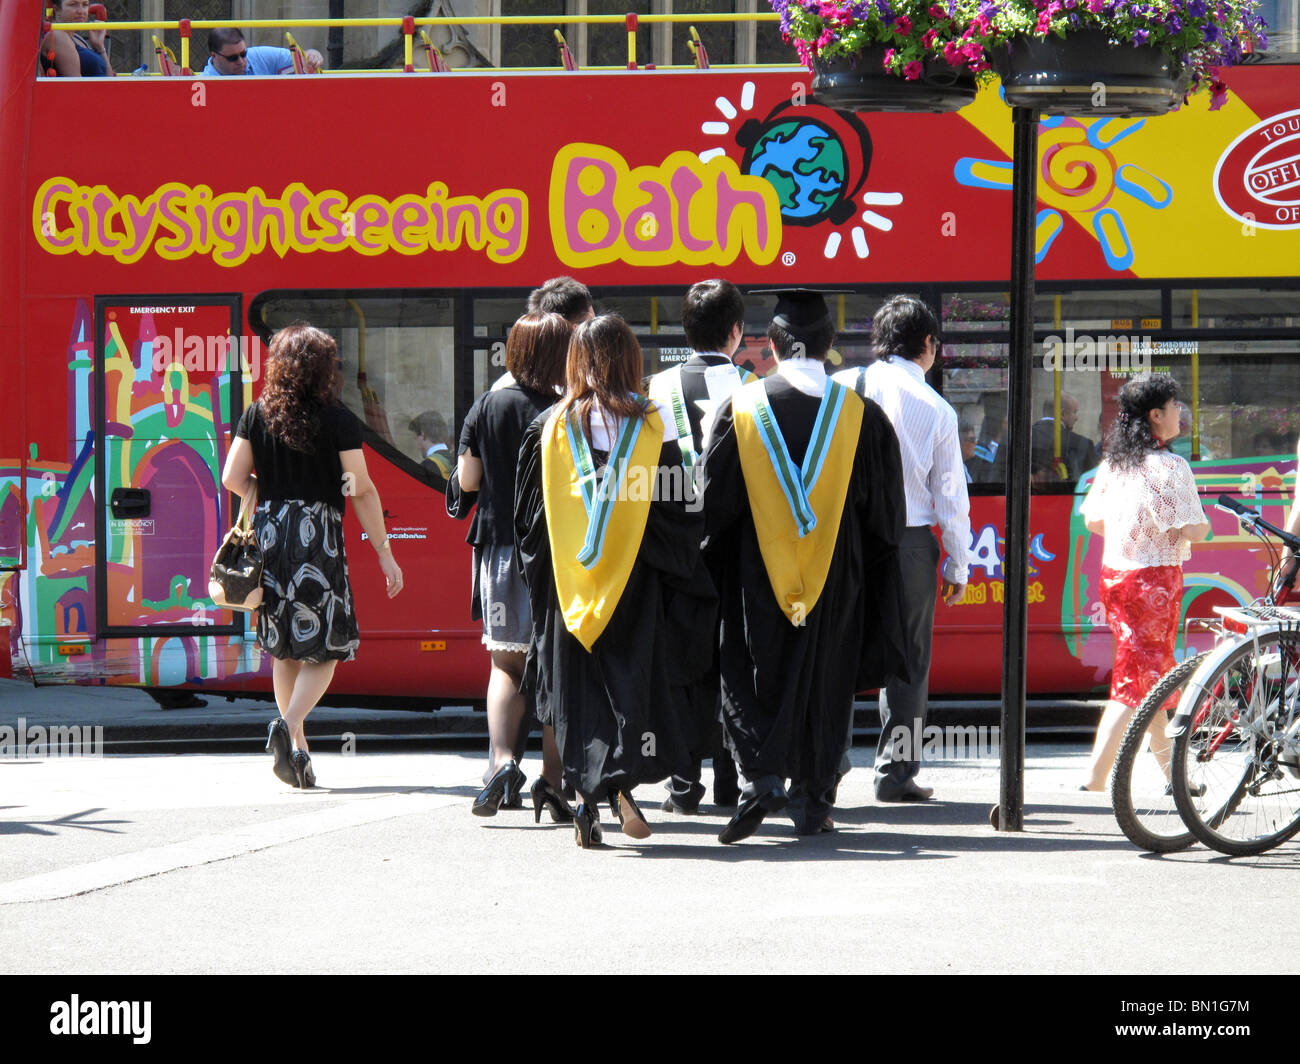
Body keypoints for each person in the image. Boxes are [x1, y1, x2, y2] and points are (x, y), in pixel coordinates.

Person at [703, 290, 908, 842]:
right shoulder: (861, 416)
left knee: (750, 671)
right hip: (836, 574)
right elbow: (884, 515)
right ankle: (813, 802)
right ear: (831, 346)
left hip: (755, 572)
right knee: (827, 680)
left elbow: (714, 505)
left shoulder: (742, 409)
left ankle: (761, 778)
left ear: (771, 344)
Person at [514, 315, 717, 848]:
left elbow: (530, 522)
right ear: (630, 359)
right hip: (635, 581)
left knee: (577, 689)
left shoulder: (549, 427)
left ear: (574, 361)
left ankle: (586, 800)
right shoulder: (653, 423)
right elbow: (681, 507)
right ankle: (622, 786)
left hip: (571, 586)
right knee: (629, 685)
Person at [221, 324, 403, 788]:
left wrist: (267, 496)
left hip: (271, 533)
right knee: (328, 645)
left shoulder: (257, 413)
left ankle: (298, 752)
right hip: (316, 536)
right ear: (323, 368)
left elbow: (231, 478)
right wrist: (385, 552)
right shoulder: (337, 418)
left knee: (284, 648)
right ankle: (286, 727)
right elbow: (360, 489)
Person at [834, 295, 970, 803]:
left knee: (837, 647)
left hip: (843, 538)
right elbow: (950, 496)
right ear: (928, 345)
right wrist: (958, 563)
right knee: (909, 658)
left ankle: (827, 764)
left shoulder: (841, 387)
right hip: (910, 543)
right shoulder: (936, 408)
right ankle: (896, 774)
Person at [448, 312, 573, 822]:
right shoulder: (571, 407)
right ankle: (554, 782)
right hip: (560, 551)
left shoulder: (489, 405)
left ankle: (502, 762)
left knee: (506, 664)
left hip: (500, 548)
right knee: (559, 671)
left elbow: (469, 481)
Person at [648, 279, 753, 814]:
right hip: (739, 551)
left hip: (674, 552)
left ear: (685, 330)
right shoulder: (757, 389)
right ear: (736, 332)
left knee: (682, 670)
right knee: (735, 664)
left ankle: (683, 783)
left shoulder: (654, 389)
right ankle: (734, 784)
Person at [1078, 373, 1210, 791]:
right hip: (1153, 585)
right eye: (1174, 406)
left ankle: (1177, 777)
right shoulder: (1171, 466)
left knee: (1149, 678)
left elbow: (1093, 519)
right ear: (1156, 415)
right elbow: (1194, 530)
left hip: (1116, 577)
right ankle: (1096, 777)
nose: (1179, 414)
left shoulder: (1115, 464)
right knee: (1136, 683)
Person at [490, 277, 595, 392]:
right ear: (576, 330)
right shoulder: (591, 383)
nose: (593, 334)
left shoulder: (505, 386)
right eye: (590, 325)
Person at [1031, 394, 1100, 483]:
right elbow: (1093, 482)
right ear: (1062, 413)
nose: (1076, 418)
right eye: (1074, 412)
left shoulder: (1023, 440)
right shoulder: (1082, 444)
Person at [202, 28, 322, 76]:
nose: (241, 61)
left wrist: (313, 56)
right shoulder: (204, 85)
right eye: (232, 58)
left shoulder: (258, 56)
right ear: (214, 56)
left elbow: (302, 58)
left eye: (243, 54)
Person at [40, 0, 115, 78]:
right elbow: (76, 86)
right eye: (73, 4)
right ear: (57, 9)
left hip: (102, 89)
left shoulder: (76, 37)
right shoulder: (57, 35)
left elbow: (110, 80)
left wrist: (99, 46)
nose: (81, 11)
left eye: (85, 5)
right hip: (89, 90)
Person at [409, 410, 453, 480]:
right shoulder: (456, 458)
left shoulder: (427, 466)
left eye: (416, 439)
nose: (417, 446)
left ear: (423, 435)